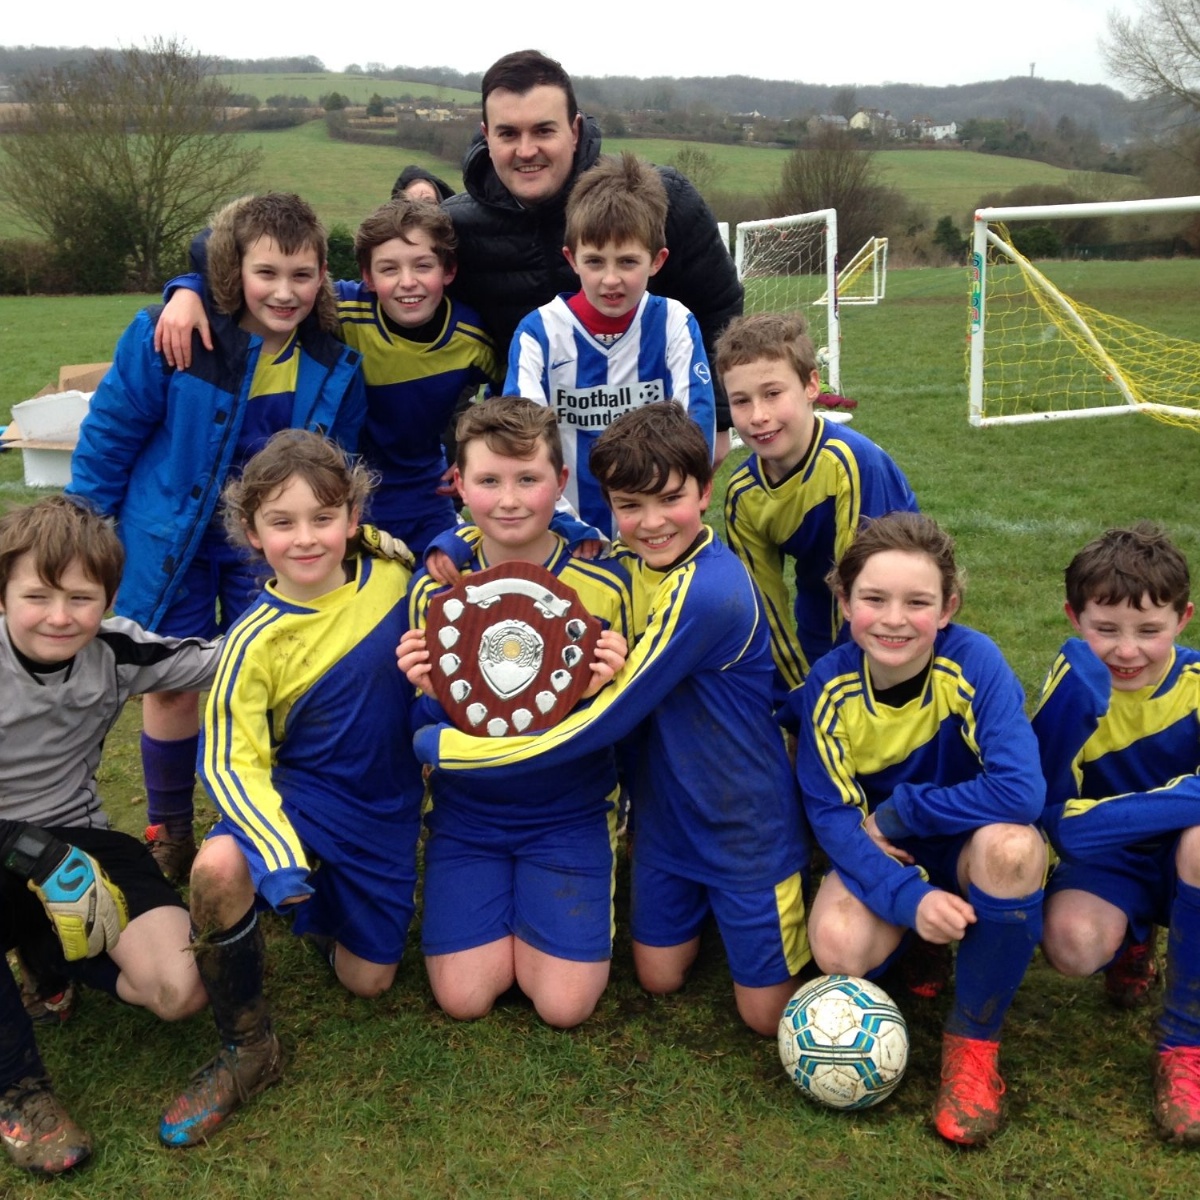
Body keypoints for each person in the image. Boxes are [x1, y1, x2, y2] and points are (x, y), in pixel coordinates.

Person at [412, 402, 811, 1037]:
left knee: (767, 1021)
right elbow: (534, 533)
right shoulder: (627, 562)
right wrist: (453, 538)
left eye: (670, 500)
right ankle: (703, 913)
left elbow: (608, 716)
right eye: (630, 507)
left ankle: (807, 926)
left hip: (742, 825)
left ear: (705, 491)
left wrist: (444, 746)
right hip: (664, 817)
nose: (651, 523)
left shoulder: (702, 590)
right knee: (655, 977)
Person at [67, 193, 366, 885]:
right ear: (236, 270)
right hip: (172, 541)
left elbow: (335, 467)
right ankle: (169, 829)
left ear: (324, 274)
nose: (283, 292)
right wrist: (84, 524)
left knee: (274, 683)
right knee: (172, 686)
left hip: (267, 548)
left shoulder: (336, 367)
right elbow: (112, 433)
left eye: (301, 275)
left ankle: (261, 824)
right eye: (266, 274)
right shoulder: (172, 334)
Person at [159, 430, 423, 1147]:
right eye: (282, 522)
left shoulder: (394, 576)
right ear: (251, 532)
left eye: (322, 518)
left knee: (368, 981)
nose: (305, 539)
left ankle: (314, 910)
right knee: (218, 870)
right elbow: (231, 764)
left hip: (386, 809)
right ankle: (248, 1047)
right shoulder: (252, 641)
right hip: (298, 799)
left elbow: (462, 560)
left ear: (352, 518)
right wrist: (274, 851)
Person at [788, 511, 1046, 1146]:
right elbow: (834, 820)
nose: (896, 619)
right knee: (839, 950)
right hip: (888, 855)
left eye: (918, 602)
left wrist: (904, 810)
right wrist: (909, 896)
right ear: (845, 602)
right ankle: (920, 937)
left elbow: (1021, 790)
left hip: (961, 843)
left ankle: (973, 1047)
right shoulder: (829, 686)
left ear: (949, 606)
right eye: (874, 599)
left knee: (1015, 849)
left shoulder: (974, 663)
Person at [0, 496, 219, 1176]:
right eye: (36, 595)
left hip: (77, 840)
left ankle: (49, 954)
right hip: (20, 848)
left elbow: (229, 659)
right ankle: (19, 1092)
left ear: (109, 599)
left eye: (81, 597)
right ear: (3, 593)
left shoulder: (116, 649)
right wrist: (29, 850)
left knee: (180, 988)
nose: (60, 616)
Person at [399, 397, 632, 1028]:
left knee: (563, 1005)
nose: (508, 499)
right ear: (459, 485)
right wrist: (423, 687)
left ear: (560, 482)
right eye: (488, 481)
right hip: (468, 814)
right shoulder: (435, 587)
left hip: (568, 812)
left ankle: (570, 881)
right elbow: (422, 718)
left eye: (528, 479)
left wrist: (613, 678)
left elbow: (627, 711)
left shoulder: (606, 582)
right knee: (464, 998)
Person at [150, 200, 502, 555]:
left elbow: (507, 394)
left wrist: (482, 447)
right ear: (367, 276)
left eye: (423, 265)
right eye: (389, 268)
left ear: (448, 270)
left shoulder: (473, 335)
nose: (407, 282)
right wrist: (189, 287)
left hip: (427, 494)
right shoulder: (341, 308)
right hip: (342, 495)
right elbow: (231, 245)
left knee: (438, 590)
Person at [443, 49, 742, 457]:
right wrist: (447, 443)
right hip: (537, 461)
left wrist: (720, 418)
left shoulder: (663, 198)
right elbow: (440, 346)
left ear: (575, 130)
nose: (526, 150)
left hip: (657, 456)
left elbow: (718, 306)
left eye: (544, 131)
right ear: (486, 134)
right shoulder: (455, 229)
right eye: (508, 133)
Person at [1033, 523, 1200, 1144]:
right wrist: (1177, 806)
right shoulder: (1071, 690)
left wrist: (1112, 819)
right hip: (1110, 865)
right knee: (1072, 944)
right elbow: (1055, 822)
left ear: (1183, 619)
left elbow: (1083, 827)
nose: (1127, 651)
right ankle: (1131, 940)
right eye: (1106, 630)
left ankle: (1185, 1047)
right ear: (1075, 617)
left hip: (1177, 855)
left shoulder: (1196, 685)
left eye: (1149, 630)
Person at [505, 152, 715, 539]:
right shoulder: (539, 333)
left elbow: (696, 430)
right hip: (565, 539)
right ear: (572, 258)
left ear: (657, 260)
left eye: (628, 262)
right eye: (596, 261)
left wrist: (657, 518)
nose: (611, 279)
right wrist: (568, 526)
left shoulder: (674, 323)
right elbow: (523, 446)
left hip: (656, 535)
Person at [717, 312, 917, 697]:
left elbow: (869, 587)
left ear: (811, 385)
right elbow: (764, 610)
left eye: (773, 394)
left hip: (894, 626)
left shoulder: (852, 463)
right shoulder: (743, 494)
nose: (758, 416)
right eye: (741, 401)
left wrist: (837, 692)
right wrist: (798, 695)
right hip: (816, 627)